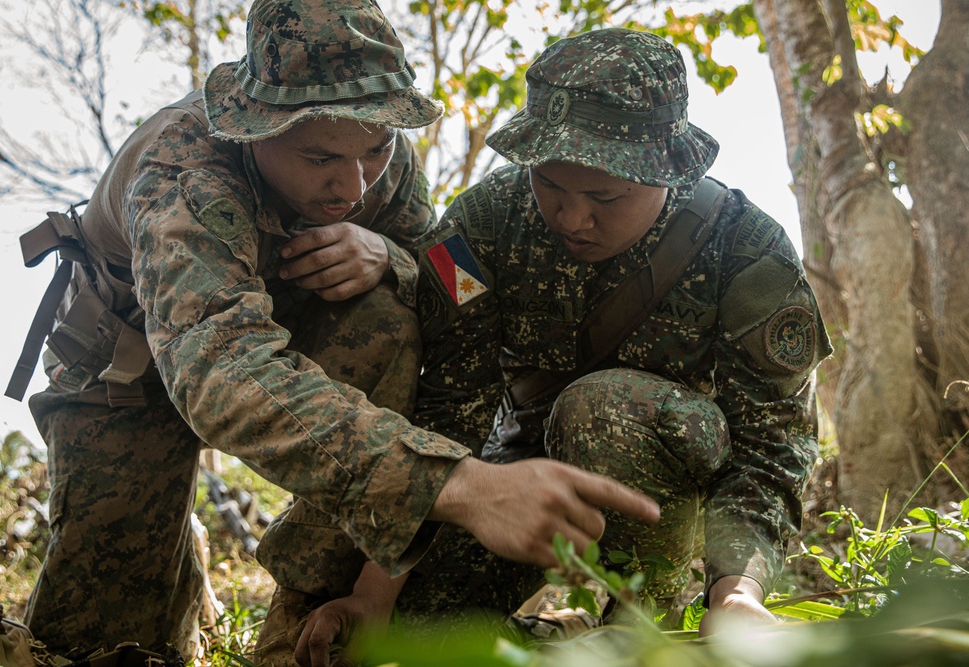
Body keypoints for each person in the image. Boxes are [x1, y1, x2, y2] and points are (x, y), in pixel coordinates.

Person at [6, 1, 659, 662]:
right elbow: (220, 374)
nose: (352, 184)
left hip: (275, 336)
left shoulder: (379, 155)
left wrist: (396, 261)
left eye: (374, 151)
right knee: (99, 646)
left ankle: (305, 620)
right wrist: (456, 485)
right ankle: (169, 545)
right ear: (256, 129)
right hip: (130, 368)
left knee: (385, 323)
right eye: (320, 156)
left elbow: (451, 267)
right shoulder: (187, 175)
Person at [256, 27, 833, 666]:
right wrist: (376, 594)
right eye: (550, 186)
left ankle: (649, 617)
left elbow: (773, 448)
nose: (571, 218)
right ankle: (557, 635)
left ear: (670, 171)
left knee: (602, 403)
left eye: (604, 197)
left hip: (680, 480)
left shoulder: (750, 253)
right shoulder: (471, 236)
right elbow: (449, 411)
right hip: (522, 475)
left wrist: (737, 589)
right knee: (411, 636)